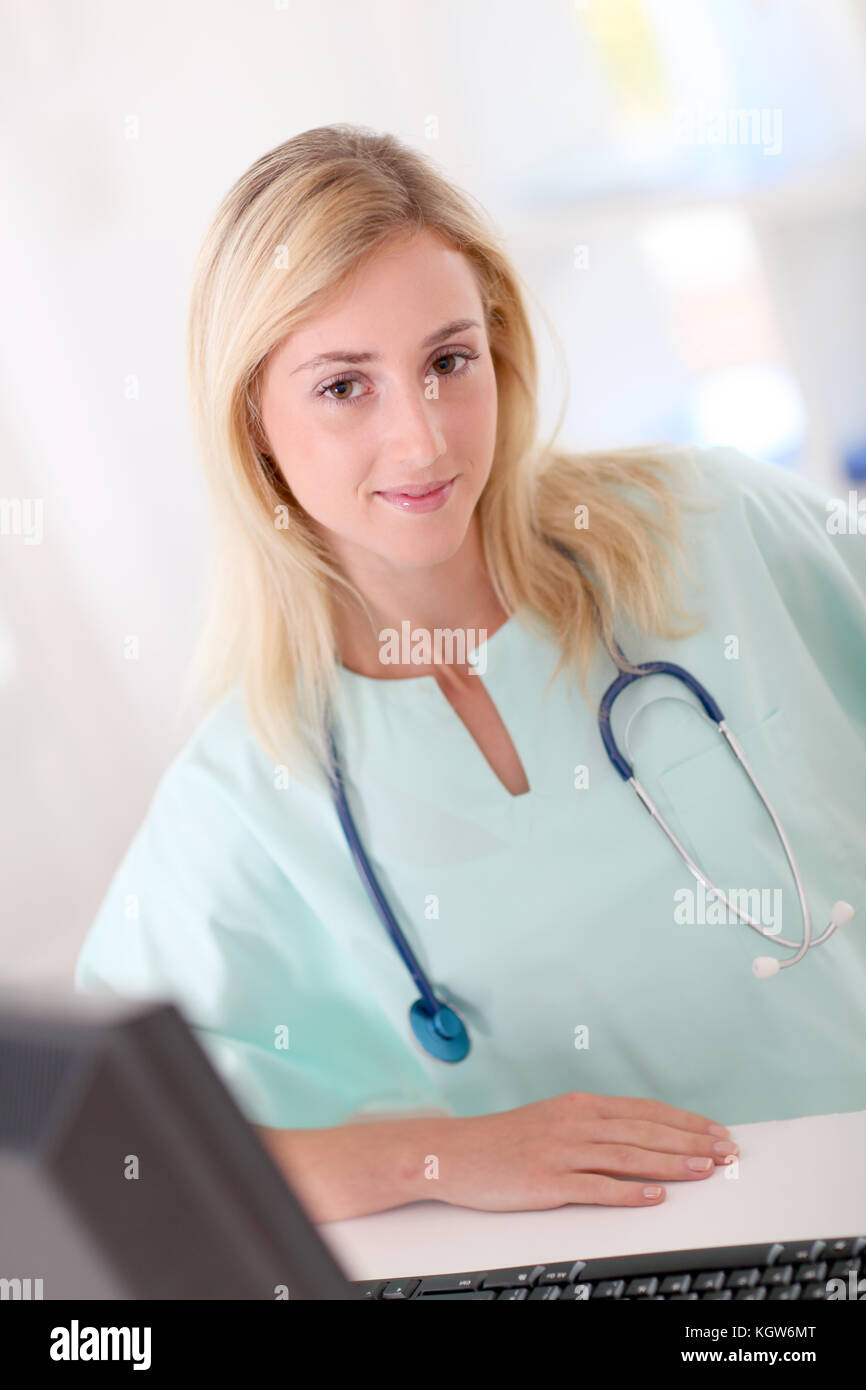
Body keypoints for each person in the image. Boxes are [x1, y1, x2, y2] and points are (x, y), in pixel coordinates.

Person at [74, 125, 866, 1224]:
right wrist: (432, 1158)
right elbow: (103, 1147)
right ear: (253, 420)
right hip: (649, 1267)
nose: (423, 440)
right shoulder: (249, 793)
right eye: (344, 386)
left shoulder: (716, 526)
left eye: (448, 361)